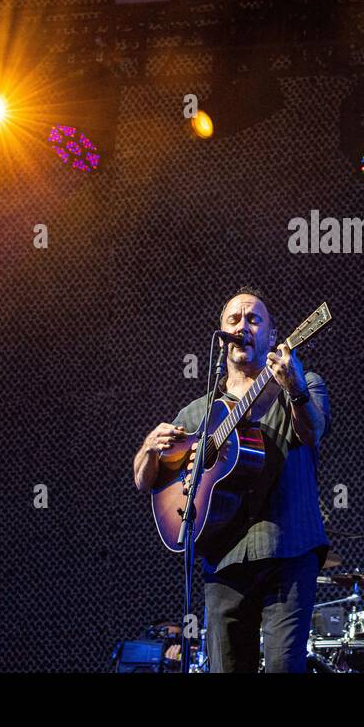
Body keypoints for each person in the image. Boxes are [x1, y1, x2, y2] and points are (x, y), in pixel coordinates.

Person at [134, 288, 330, 673]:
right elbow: (147, 482)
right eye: (234, 320)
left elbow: (314, 433)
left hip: (287, 550)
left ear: (273, 337)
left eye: (254, 320)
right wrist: (149, 450)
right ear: (222, 334)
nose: (244, 326)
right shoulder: (197, 413)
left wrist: (295, 389)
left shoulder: (304, 381)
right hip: (222, 561)